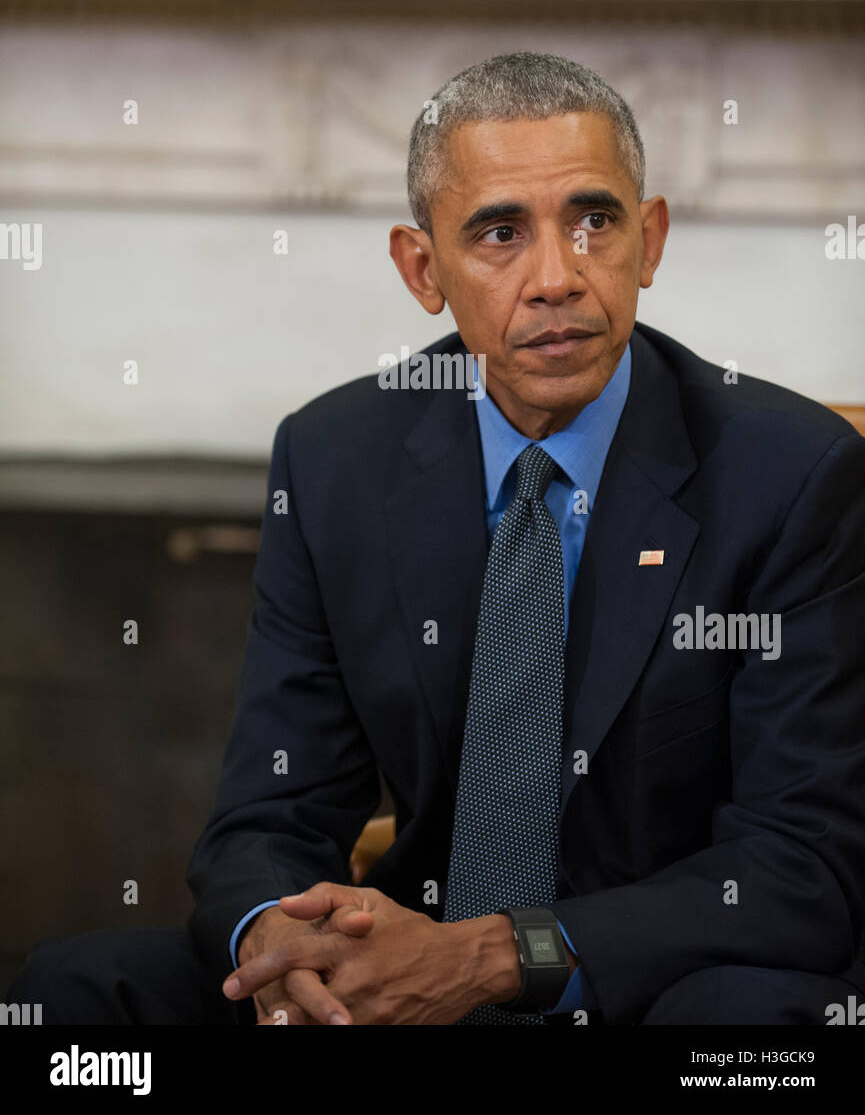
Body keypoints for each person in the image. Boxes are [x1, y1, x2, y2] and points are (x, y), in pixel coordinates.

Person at [8, 52, 865, 1025]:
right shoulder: (335, 461)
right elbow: (272, 811)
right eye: (500, 232)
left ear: (650, 238)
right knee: (72, 992)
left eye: (594, 221)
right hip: (396, 970)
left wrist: (492, 957)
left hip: (644, 983)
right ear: (422, 268)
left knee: (753, 1030)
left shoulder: (790, 475)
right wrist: (278, 941)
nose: (556, 276)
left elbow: (799, 868)